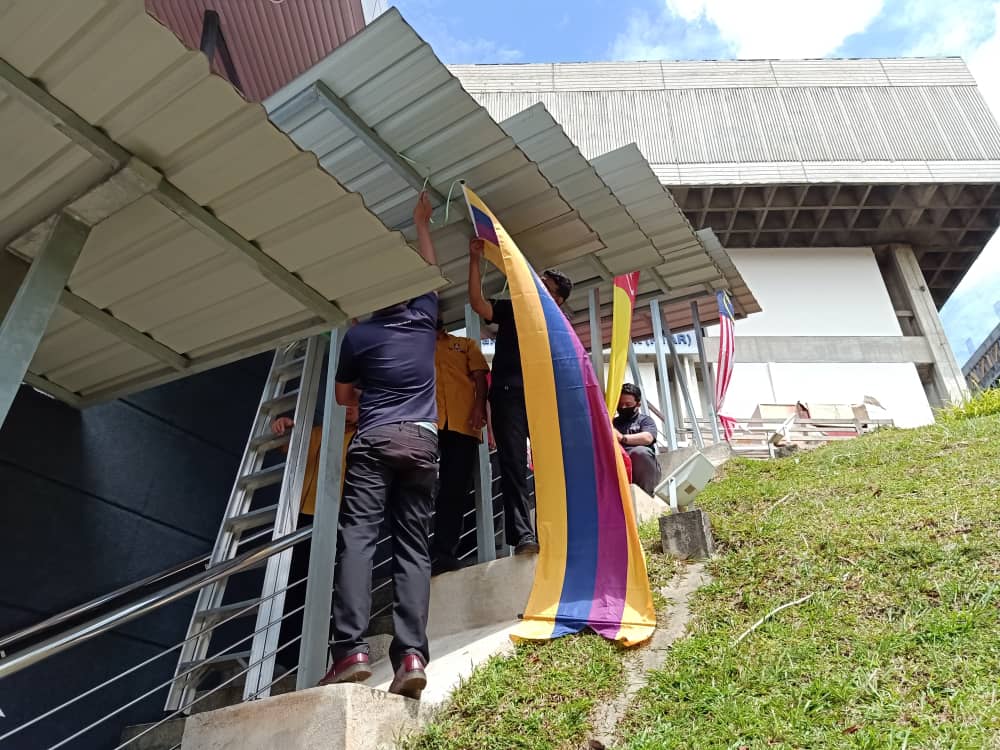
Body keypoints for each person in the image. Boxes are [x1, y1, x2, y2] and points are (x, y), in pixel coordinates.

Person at [318, 193, 439, 700]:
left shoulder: (360, 337)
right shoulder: (425, 320)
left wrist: (364, 367)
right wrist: (420, 222)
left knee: (360, 541)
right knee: (413, 549)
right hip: (423, 443)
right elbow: (433, 269)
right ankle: (410, 654)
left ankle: (351, 650)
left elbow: (344, 397)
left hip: (374, 441)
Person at [467, 237, 573, 555]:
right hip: (507, 395)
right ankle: (524, 536)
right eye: (537, 282)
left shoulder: (560, 325)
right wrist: (474, 261)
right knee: (512, 464)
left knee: (550, 465)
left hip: (545, 399)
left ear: (559, 299)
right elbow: (478, 304)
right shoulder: (514, 309)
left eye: (545, 286)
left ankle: (553, 529)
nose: (538, 288)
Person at [432, 320, 489, 573]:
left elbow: (480, 378)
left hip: (463, 425)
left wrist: (479, 408)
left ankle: (444, 552)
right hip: (426, 425)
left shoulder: (465, 344)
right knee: (417, 489)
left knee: (454, 490)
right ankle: (422, 553)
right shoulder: (414, 346)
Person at [271, 404, 358, 515]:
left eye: (354, 402)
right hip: (297, 511)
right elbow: (284, 447)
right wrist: (283, 429)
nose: (348, 406)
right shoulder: (317, 432)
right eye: (344, 401)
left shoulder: (363, 441)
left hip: (334, 517)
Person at [613, 383, 661, 495]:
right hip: (620, 468)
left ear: (638, 404)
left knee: (640, 452)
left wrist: (622, 438)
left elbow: (648, 437)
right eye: (620, 404)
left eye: (628, 404)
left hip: (644, 470)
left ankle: (647, 494)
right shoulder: (612, 423)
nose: (623, 408)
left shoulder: (645, 420)